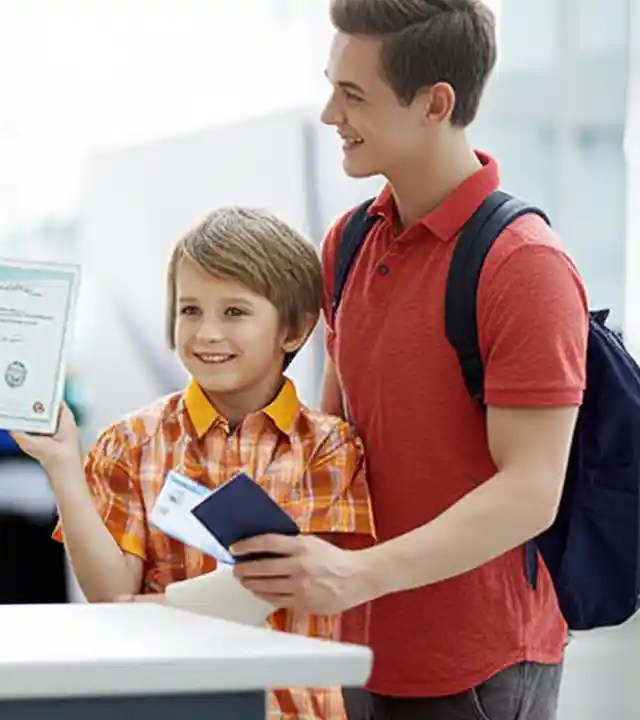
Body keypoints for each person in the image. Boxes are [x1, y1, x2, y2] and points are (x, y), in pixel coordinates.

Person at [227, 2, 588, 718]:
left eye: (354, 94)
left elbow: (531, 489)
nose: (331, 113)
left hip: (477, 668)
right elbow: (340, 435)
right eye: (332, 86)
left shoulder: (524, 266)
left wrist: (357, 574)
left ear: (436, 103)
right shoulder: (350, 241)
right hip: (360, 648)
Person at [13, 207, 375, 720]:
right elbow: (110, 592)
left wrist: (149, 611)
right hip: (164, 705)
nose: (205, 332)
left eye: (234, 312)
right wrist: (63, 467)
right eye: (189, 310)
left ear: (293, 329)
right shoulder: (128, 442)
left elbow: (293, 581)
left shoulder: (330, 447)